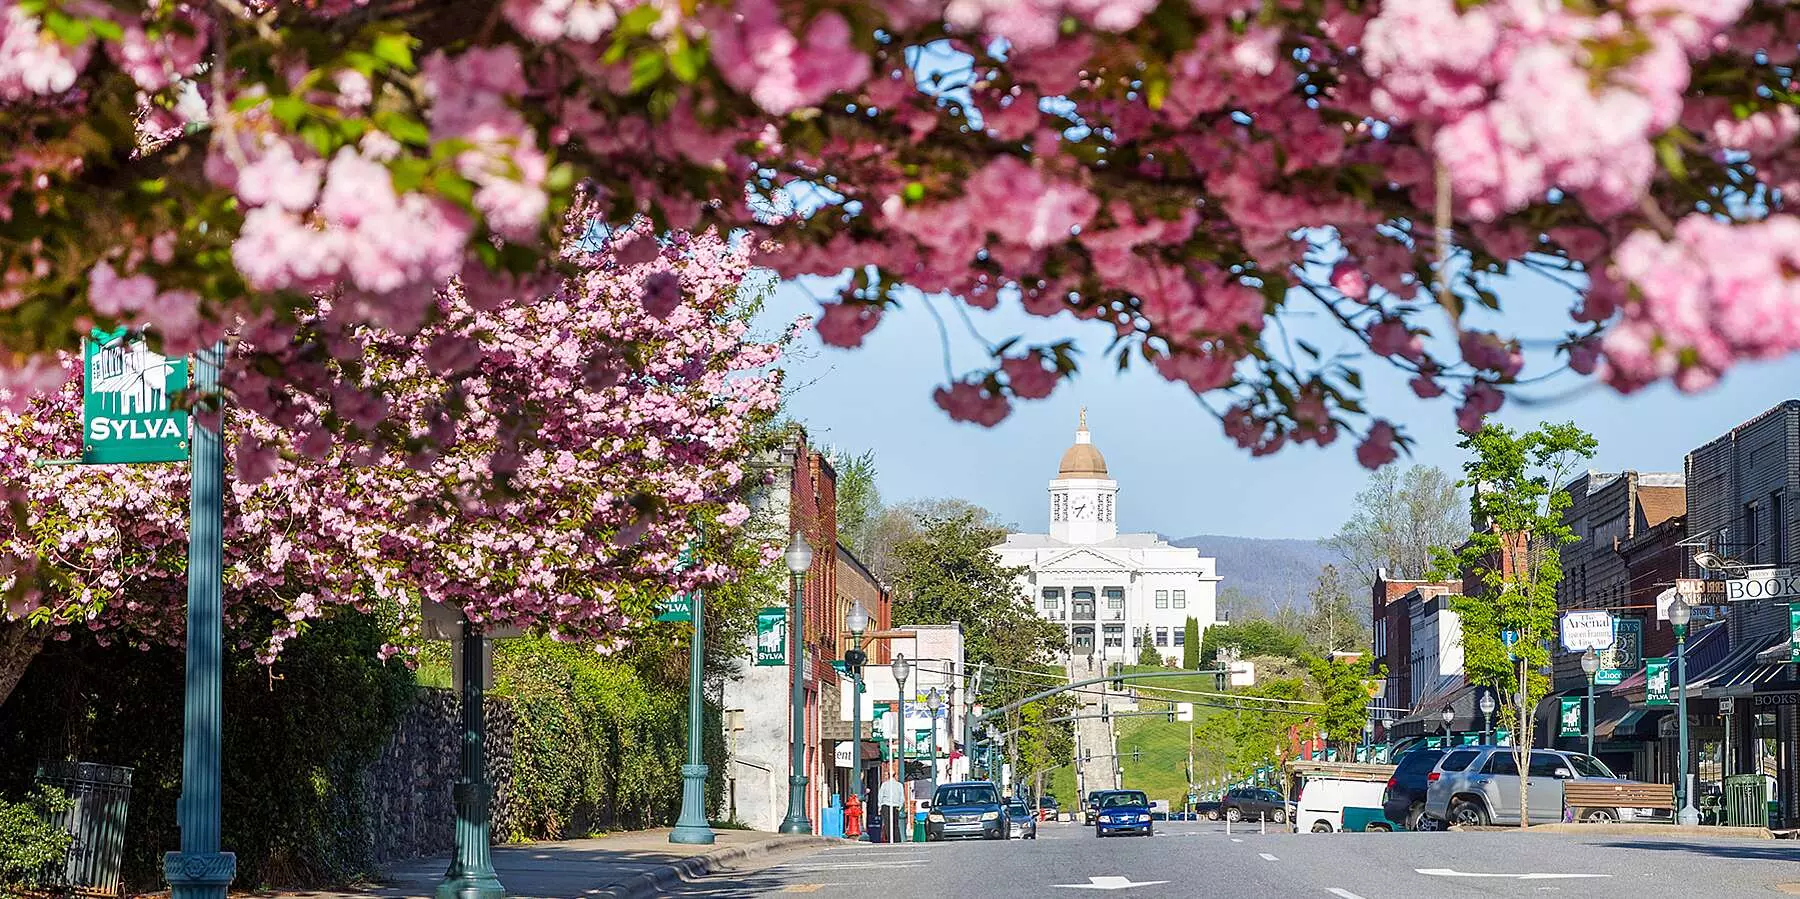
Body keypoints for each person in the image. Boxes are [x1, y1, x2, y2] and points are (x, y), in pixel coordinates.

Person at [878, 763, 905, 843]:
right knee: (895, 824)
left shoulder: (884, 784)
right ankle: (897, 839)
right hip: (895, 806)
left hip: (886, 805)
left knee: (887, 824)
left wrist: (879, 807)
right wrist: (899, 807)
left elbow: (880, 796)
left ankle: (890, 839)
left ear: (888, 775)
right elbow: (902, 798)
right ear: (895, 775)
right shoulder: (899, 785)